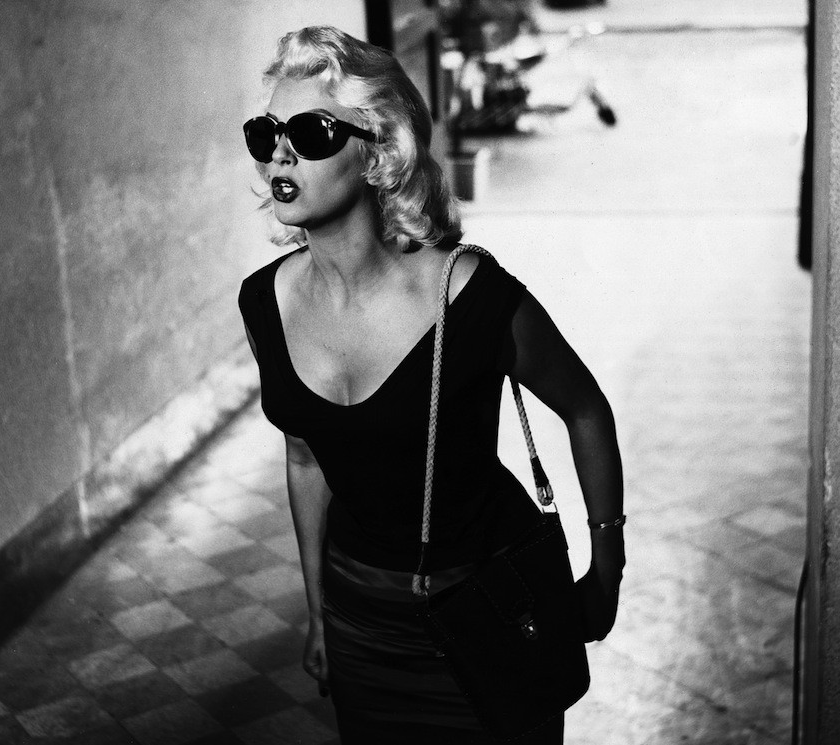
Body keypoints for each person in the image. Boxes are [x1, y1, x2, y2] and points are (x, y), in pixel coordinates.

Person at [237, 26, 624, 744]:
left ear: (378, 151)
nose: (280, 154)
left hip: (489, 613)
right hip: (361, 621)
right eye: (267, 133)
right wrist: (319, 613)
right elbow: (305, 458)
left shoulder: (468, 294)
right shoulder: (264, 302)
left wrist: (608, 567)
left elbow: (586, 409)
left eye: (311, 132)